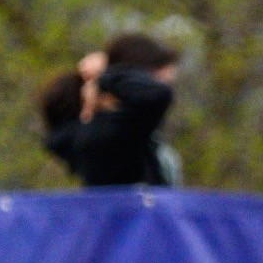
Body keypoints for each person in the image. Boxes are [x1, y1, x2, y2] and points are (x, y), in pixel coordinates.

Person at [41, 33, 183, 187]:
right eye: (139, 80)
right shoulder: (106, 140)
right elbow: (155, 95)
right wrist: (106, 76)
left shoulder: (135, 139)